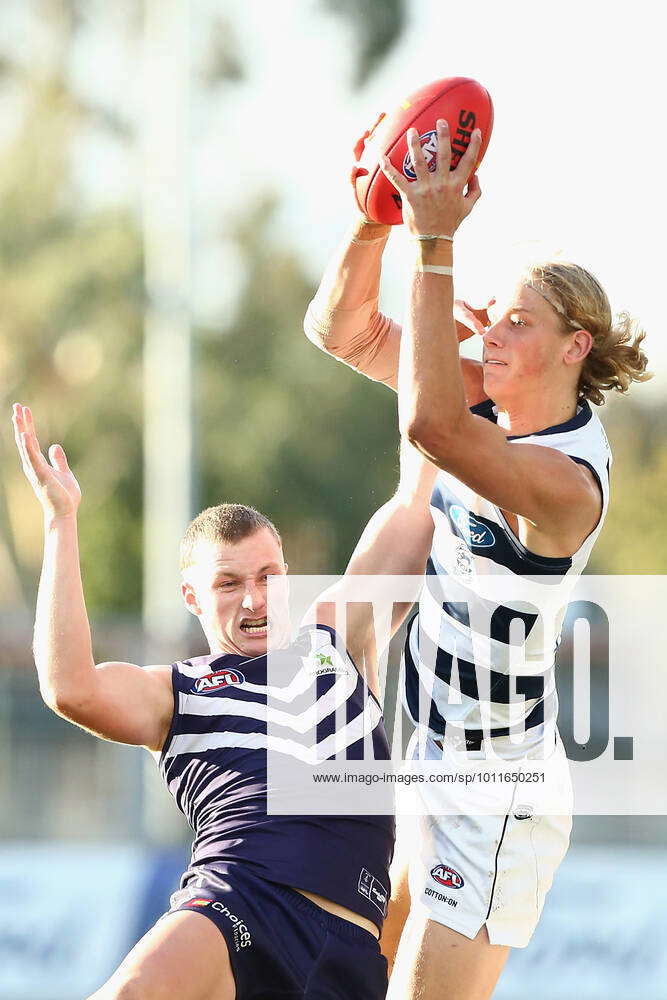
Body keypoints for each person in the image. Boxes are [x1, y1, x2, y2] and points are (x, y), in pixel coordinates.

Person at [304, 120, 650, 999]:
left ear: (573, 349)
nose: (491, 335)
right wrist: (375, 217)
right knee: (340, 982)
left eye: (516, 324)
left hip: (496, 792)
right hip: (425, 759)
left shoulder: (567, 480)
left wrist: (436, 242)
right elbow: (336, 330)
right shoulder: (481, 396)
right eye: (491, 318)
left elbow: (429, 427)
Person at [11, 401, 433, 1000]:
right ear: (192, 597)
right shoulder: (178, 691)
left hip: (351, 949)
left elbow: (415, 502)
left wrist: (443, 380)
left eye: (268, 576)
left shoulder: (335, 642)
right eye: (229, 584)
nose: (256, 601)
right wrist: (61, 521)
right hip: (240, 902)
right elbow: (70, 686)